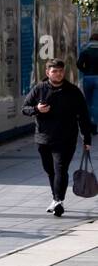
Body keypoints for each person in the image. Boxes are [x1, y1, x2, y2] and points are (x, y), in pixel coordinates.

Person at [23, 58, 94, 217]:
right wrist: (37, 109)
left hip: (66, 138)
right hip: (43, 138)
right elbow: (25, 108)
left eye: (61, 71)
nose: (58, 74)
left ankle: (58, 200)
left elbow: (83, 116)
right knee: (50, 170)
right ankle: (55, 198)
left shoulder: (73, 91)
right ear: (47, 72)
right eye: (55, 71)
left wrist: (86, 139)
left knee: (60, 169)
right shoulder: (39, 89)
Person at [77, 30, 98, 127]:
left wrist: (85, 71)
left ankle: (89, 124)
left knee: (88, 102)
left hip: (88, 78)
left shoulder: (85, 50)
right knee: (96, 102)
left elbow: (79, 64)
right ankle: (95, 124)